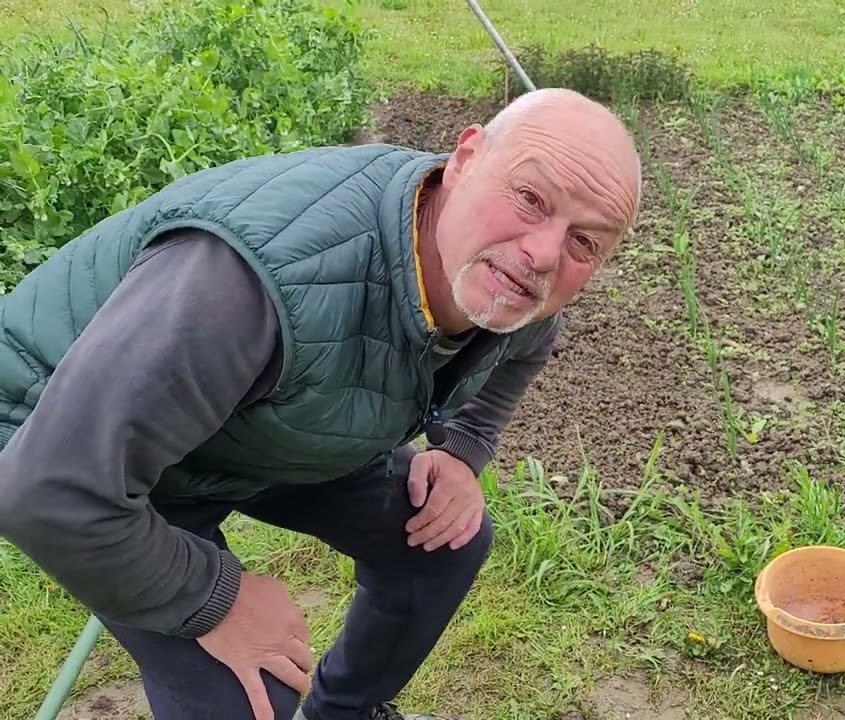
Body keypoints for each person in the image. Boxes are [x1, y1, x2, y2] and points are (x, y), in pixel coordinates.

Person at [0, 87, 643, 720]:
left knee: (447, 538)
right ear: (466, 159)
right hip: (72, 443)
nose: (543, 254)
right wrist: (213, 599)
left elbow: (527, 343)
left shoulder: (512, 279)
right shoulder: (247, 282)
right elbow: (48, 492)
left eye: (585, 242)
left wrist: (461, 449)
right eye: (530, 198)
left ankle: (344, 712)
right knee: (248, 696)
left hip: (254, 429)